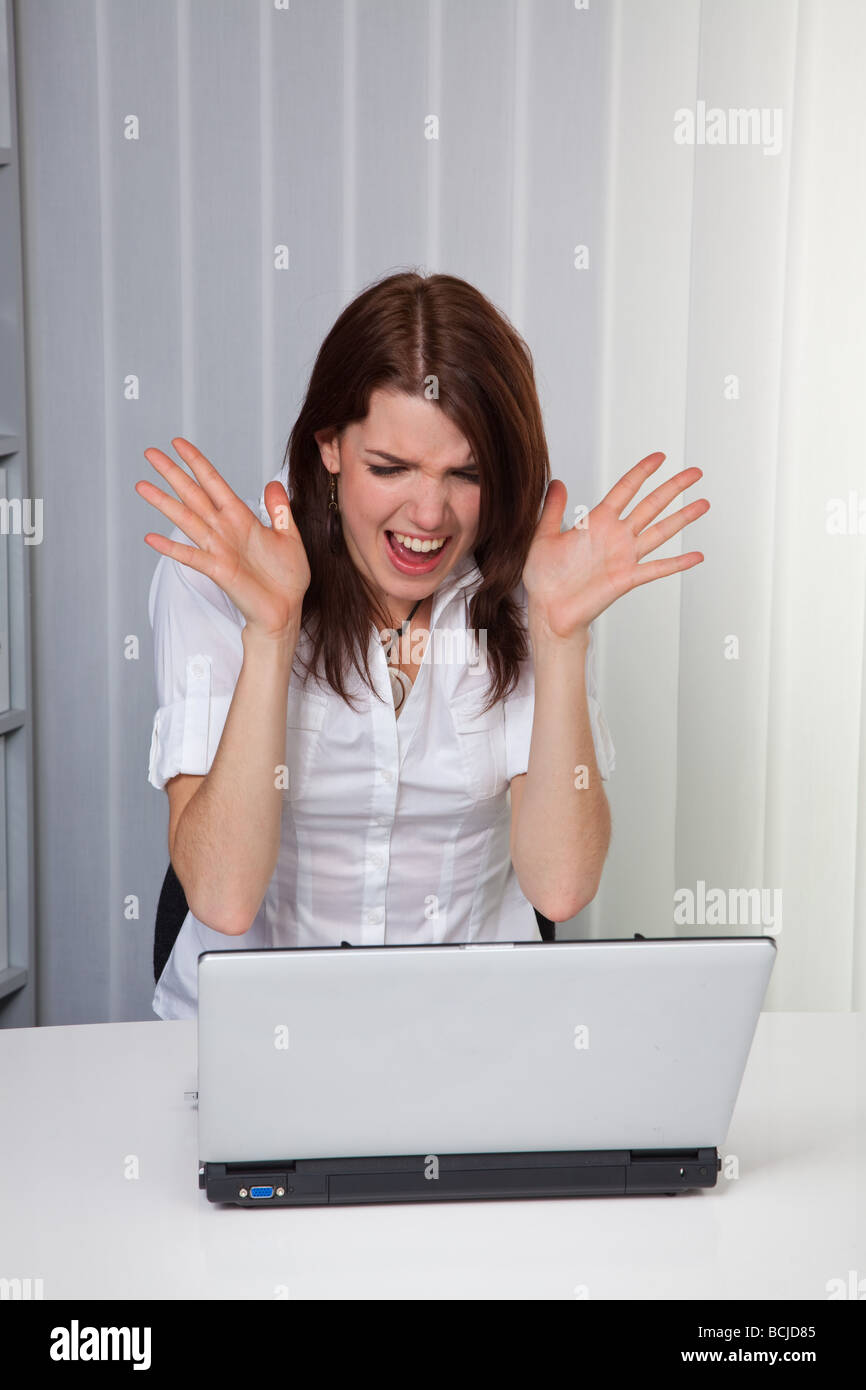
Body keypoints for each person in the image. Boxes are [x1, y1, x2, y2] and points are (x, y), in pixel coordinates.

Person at [137, 270, 708, 1020]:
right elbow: (222, 896)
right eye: (391, 468)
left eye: (465, 473)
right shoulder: (221, 568)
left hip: (472, 1028)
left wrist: (560, 637)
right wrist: (272, 633)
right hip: (257, 1031)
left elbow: (560, 887)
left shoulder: (528, 576)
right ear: (330, 447)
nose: (430, 514)